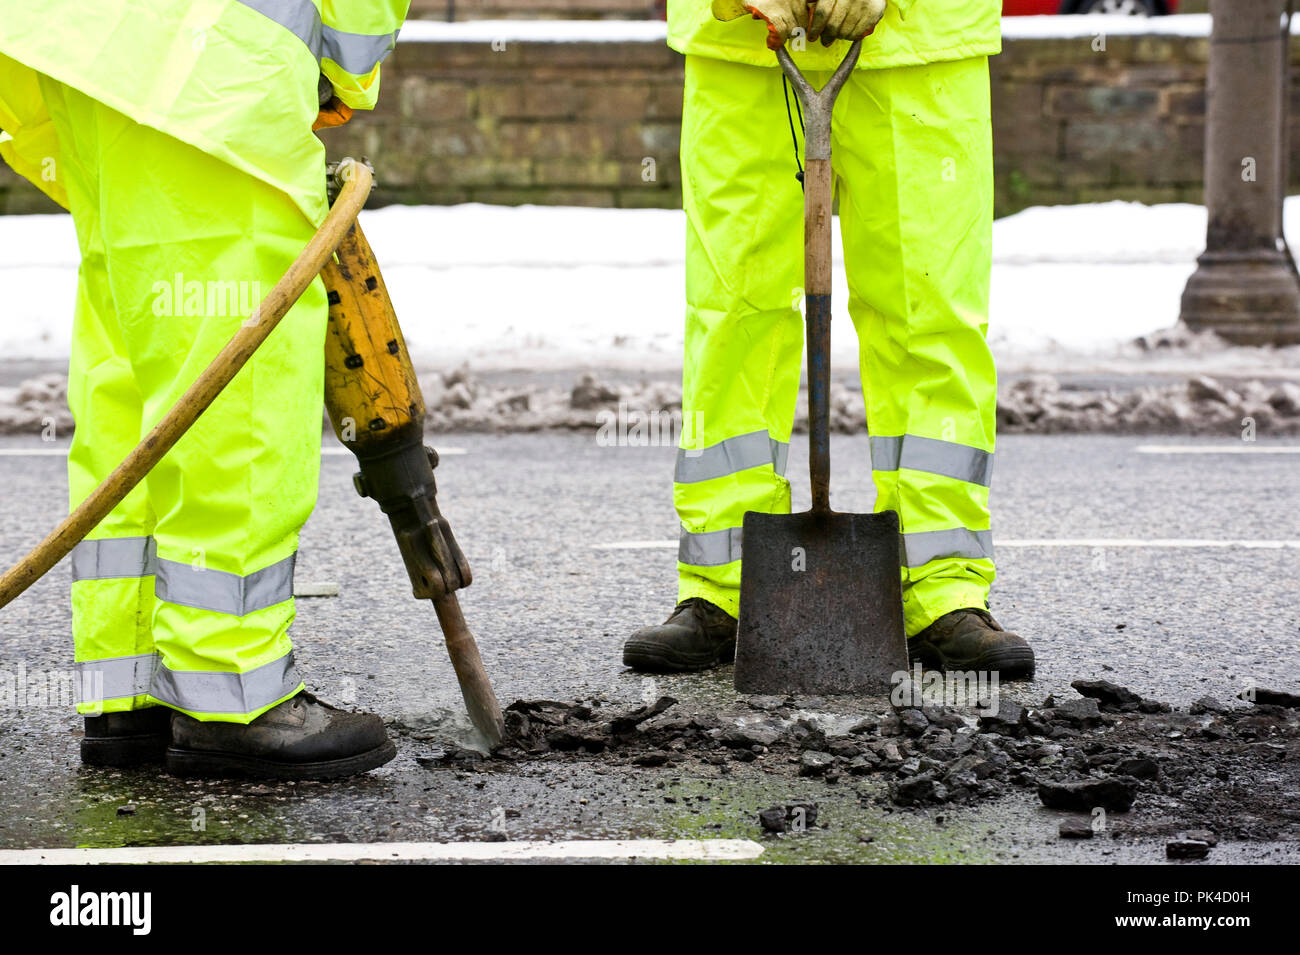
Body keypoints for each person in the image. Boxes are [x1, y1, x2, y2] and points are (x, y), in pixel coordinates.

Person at [0, 0, 410, 779]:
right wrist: (342, 68)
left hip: (79, 40)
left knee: (137, 352)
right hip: (215, 50)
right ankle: (230, 688)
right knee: (234, 369)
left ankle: (128, 686)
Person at [624, 0, 1035, 679]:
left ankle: (941, 587)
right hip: (746, 35)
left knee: (929, 312)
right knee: (735, 314)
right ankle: (724, 585)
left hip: (919, 35)